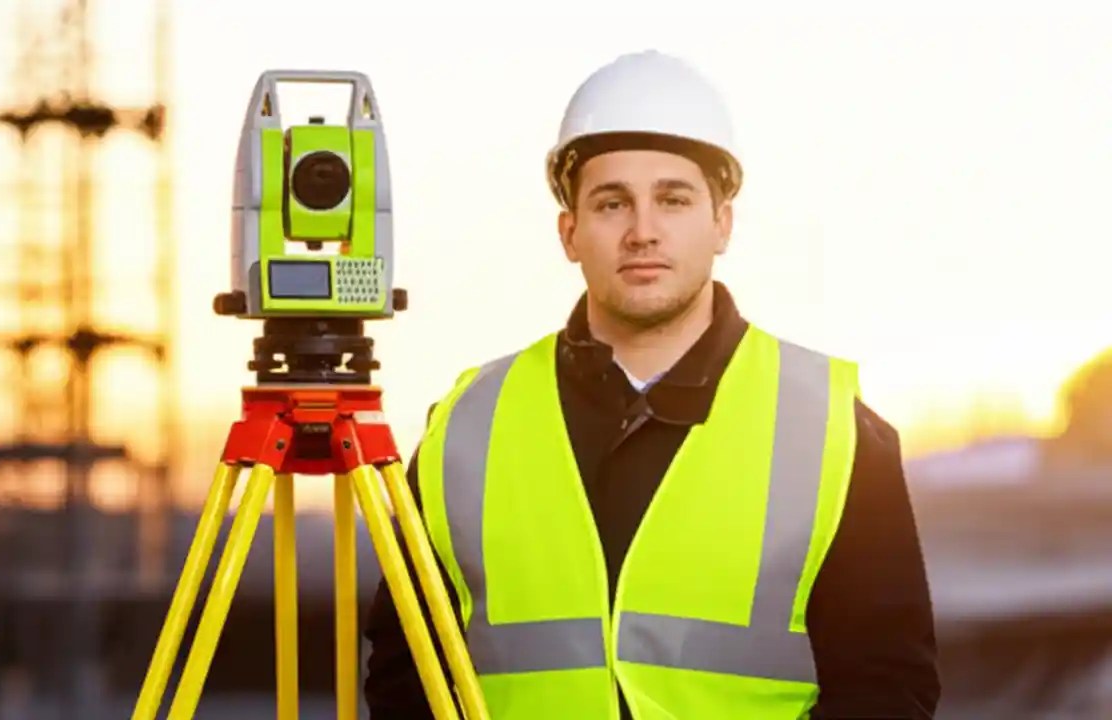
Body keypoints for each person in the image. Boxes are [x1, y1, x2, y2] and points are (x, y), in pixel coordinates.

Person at [363, 49, 941, 719]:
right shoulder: (466, 426)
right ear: (569, 231)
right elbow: (405, 673)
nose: (643, 231)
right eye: (612, 203)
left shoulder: (835, 429)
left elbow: (889, 686)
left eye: (673, 199)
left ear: (721, 223)